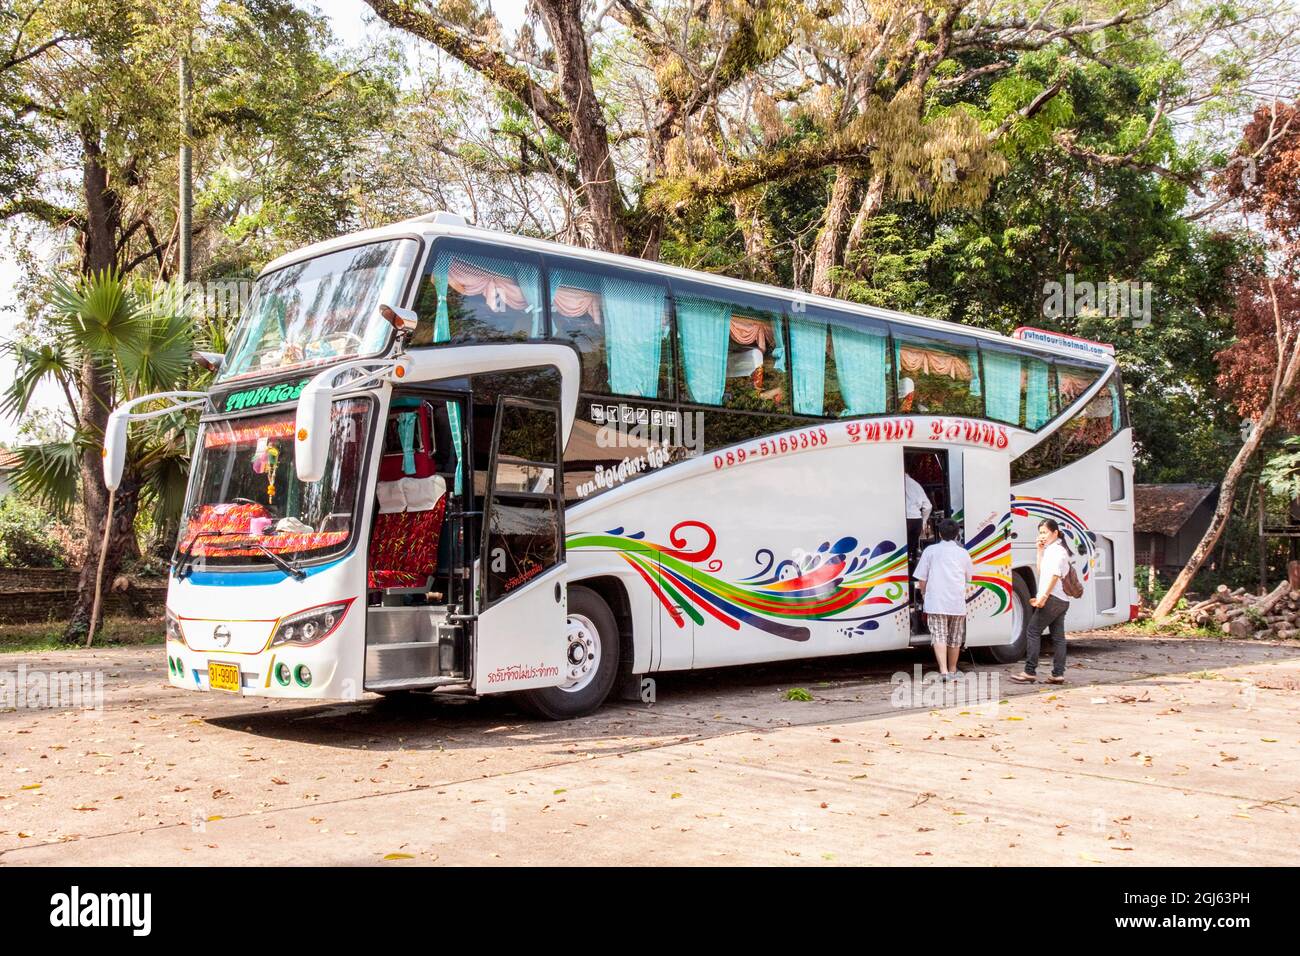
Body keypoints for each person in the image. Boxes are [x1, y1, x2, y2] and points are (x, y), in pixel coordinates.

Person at [1009, 518, 1073, 684]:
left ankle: (1030, 671)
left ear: (1055, 533)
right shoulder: (1052, 549)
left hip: (1052, 599)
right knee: (1058, 637)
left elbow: (1055, 575)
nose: (1042, 536)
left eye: (1045, 532)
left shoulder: (1057, 551)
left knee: (1032, 631)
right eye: (1040, 533)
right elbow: (1041, 571)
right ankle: (1058, 674)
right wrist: (1039, 550)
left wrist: (1043, 597)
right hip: (1061, 600)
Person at [913, 519, 974, 680]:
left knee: (939, 635)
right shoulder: (963, 553)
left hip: (936, 601)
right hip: (956, 602)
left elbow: (922, 578)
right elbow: (969, 577)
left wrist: (924, 593)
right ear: (957, 535)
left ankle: (944, 671)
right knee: (955, 637)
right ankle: (953, 670)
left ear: (939, 533)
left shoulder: (930, 551)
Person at [904, 469, 933, 570]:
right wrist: (924, 521)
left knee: (901, 552)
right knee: (911, 550)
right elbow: (928, 506)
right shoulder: (915, 484)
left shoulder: (896, 482)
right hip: (916, 520)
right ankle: (911, 570)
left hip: (904, 520)